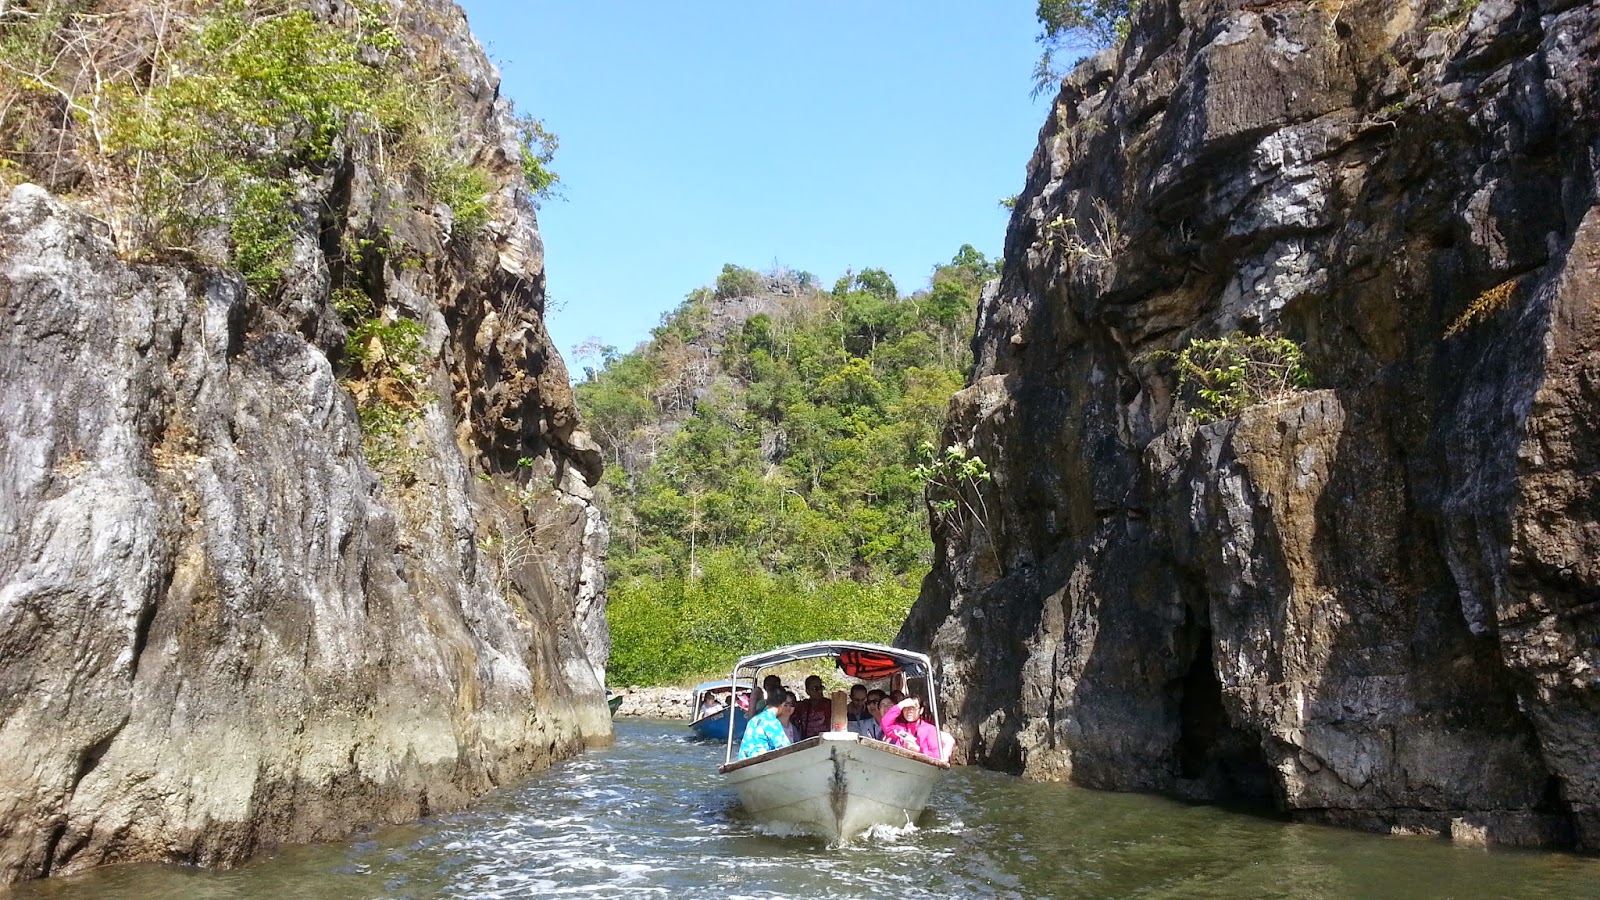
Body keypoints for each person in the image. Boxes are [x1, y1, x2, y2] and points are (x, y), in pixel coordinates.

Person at [880, 696, 947, 760]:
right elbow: (885, 725)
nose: (909, 711)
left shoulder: (930, 729)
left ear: (921, 710)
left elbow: (938, 757)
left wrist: (919, 750)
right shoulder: (901, 728)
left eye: (913, 707)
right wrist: (900, 705)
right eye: (906, 707)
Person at [737, 691, 796, 759]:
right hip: (759, 764)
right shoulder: (772, 722)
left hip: (744, 763)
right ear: (782, 704)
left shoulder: (753, 720)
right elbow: (787, 749)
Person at [792, 675, 833, 740]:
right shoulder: (802, 706)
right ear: (807, 691)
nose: (819, 691)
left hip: (826, 741)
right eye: (815, 689)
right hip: (808, 743)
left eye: (821, 688)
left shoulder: (830, 704)